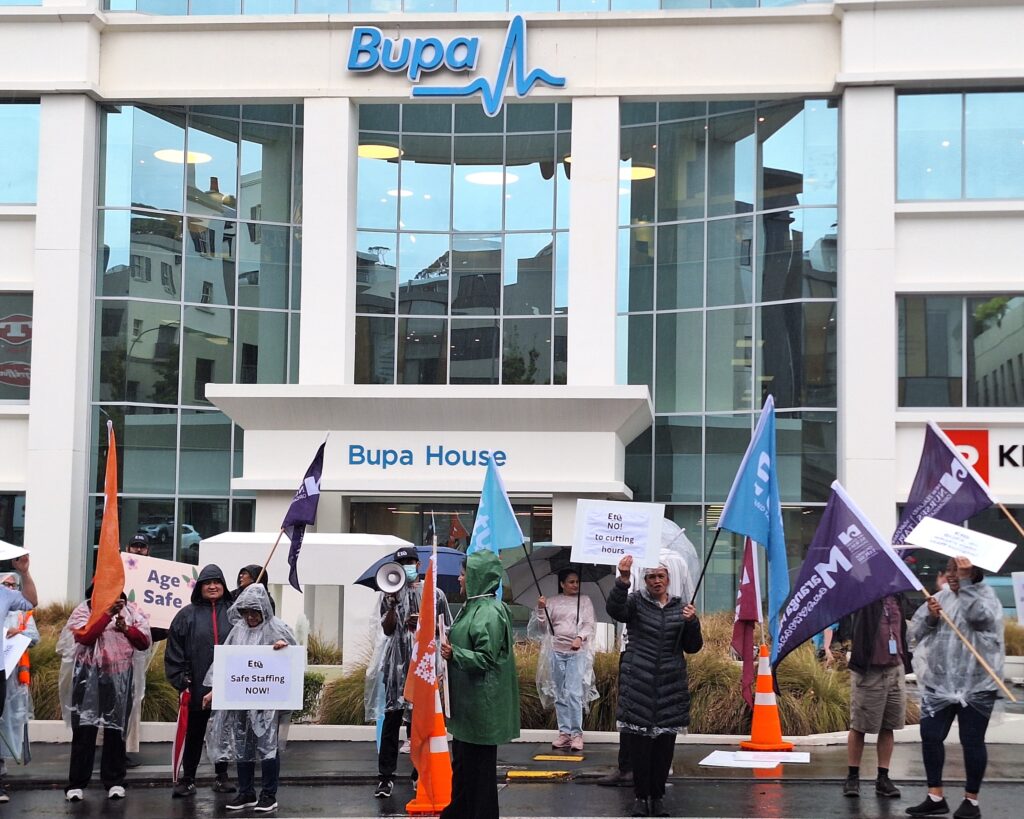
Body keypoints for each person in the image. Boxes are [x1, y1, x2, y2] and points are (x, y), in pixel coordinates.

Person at [905, 556, 1004, 819]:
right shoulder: (942, 598)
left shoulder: (986, 598)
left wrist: (965, 583)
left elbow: (979, 619)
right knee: (930, 735)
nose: (950, 575)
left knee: (971, 741)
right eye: (949, 570)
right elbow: (916, 633)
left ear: (972, 573)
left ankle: (971, 800)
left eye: (957, 571)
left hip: (977, 685)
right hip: (940, 682)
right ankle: (935, 795)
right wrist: (932, 618)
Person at [607, 555, 702, 818]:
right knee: (640, 748)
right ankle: (640, 798)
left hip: (670, 685)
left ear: (668, 579)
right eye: (651, 577)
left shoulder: (681, 606)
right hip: (639, 682)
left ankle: (657, 798)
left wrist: (692, 623)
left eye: (660, 576)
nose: (656, 581)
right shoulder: (635, 602)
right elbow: (615, 610)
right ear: (645, 581)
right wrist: (623, 581)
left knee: (663, 749)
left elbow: (692, 647)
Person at [364, 546, 450, 798]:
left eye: (412, 561)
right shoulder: (388, 594)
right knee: (392, 721)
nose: (409, 566)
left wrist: (424, 626)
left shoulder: (435, 594)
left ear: (419, 565)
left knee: (420, 722)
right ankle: (385, 777)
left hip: (422, 667)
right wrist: (392, 606)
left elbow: (446, 629)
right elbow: (387, 630)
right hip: (396, 668)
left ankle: (420, 773)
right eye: (404, 563)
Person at [439, 552, 519, 819]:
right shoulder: (473, 607)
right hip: (469, 705)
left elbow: (486, 658)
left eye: (465, 573)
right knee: (464, 766)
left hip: (482, 707)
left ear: (477, 577)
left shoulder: (488, 611)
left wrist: (454, 654)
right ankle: (459, 812)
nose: (460, 578)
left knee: (479, 771)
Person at [203, 584, 297, 813]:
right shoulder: (238, 631)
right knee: (243, 746)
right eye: (246, 611)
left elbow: (294, 658)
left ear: (264, 609)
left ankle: (269, 794)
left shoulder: (277, 628)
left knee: (267, 747)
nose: (251, 616)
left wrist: (283, 649)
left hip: (267, 702)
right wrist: (215, 689)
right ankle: (246, 792)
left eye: (255, 611)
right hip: (241, 700)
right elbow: (227, 663)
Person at [57, 586, 151, 802]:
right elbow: (85, 637)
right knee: (84, 730)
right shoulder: (83, 610)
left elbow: (144, 641)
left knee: (116, 729)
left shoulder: (132, 611)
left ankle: (115, 781)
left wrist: (126, 628)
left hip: (120, 676)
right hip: (87, 676)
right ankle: (77, 783)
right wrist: (106, 614)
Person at [164, 564, 235, 797]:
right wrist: (182, 680)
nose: (213, 586)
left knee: (223, 732)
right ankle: (188, 778)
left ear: (224, 585)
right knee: (194, 733)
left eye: (217, 582)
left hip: (228, 685)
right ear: (200, 587)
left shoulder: (236, 613)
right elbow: (174, 649)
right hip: (196, 687)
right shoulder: (186, 615)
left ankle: (222, 776)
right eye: (207, 583)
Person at [844, 592, 911, 800]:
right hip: (869, 670)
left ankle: (883, 777)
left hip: (894, 669)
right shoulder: (865, 596)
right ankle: (852, 776)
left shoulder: (898, 598)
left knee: (888, 725)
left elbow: (909, 624)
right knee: (860, 726)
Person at [528, 567, 596, 751]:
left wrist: (579, 637)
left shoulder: (585, 601)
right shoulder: (553, 602)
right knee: (559, 692)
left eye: (576, 582)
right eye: (571, 582)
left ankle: (576, 734)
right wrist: (541, 610)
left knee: (574, 692)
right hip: (556, 651)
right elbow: (543, 629)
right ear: (562, 584)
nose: (575, 585)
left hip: (577, 652)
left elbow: (589, 623)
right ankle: (564, 732)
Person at [121, 533, 167, 766]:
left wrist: (168, 628)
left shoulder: (153, 576)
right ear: (128, 547)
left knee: (134, 695)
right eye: (135, 546)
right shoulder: (116, 572)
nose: (138, 550)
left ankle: (123, 749)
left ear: (148, 550)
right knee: (117, 697)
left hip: (140, 645)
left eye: (142, 547)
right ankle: (113, 748)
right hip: (116, 645)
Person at [0, 571, 39, 802]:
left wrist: (19, 633)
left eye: (15, 584)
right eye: (7, 584)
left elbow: (34, 637)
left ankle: (2, 773)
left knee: (10, 725)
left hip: (13, 678)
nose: (11, 587)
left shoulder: (21, 611)